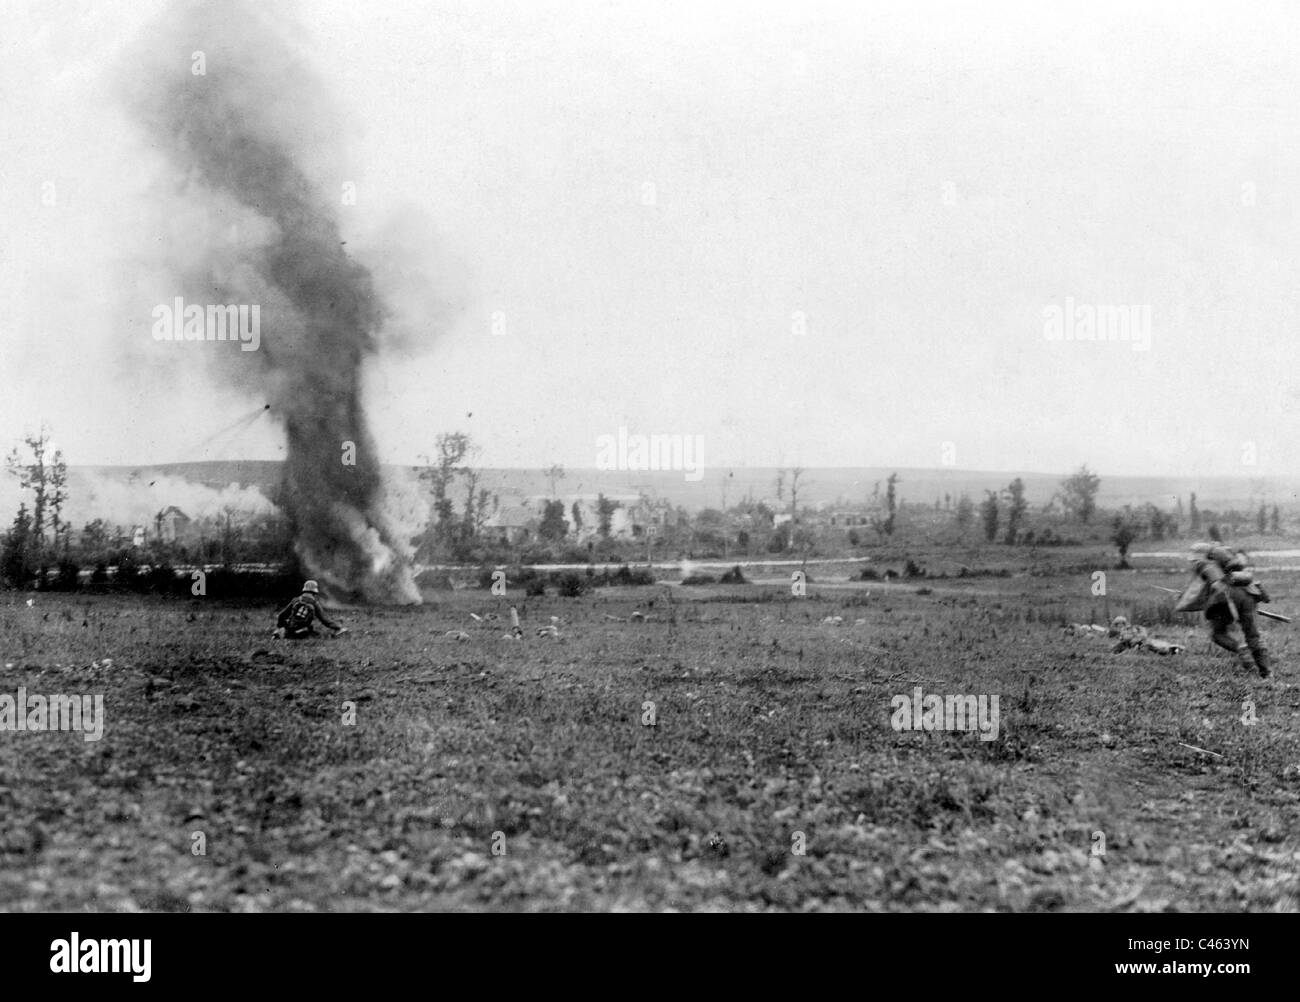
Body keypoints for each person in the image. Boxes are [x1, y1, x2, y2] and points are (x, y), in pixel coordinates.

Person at [1188, 544, 1272, 678]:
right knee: (1253, 637)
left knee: (1218, 633)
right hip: (1248, 595)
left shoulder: (1206, 565)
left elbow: (1215, 585)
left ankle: (1241, 649)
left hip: (1225, 598)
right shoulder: (1235, 567)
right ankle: (1266, 673)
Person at [273, 580, 347, 640]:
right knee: (317, 635)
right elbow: (324, 620)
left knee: (289, 626)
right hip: (304, 630)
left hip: (290, 628)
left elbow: (282, 615)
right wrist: (338, 627)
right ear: (315, 592)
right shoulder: (315, 603)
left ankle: (282, 633)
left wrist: (280, 627)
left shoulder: (295, 600)